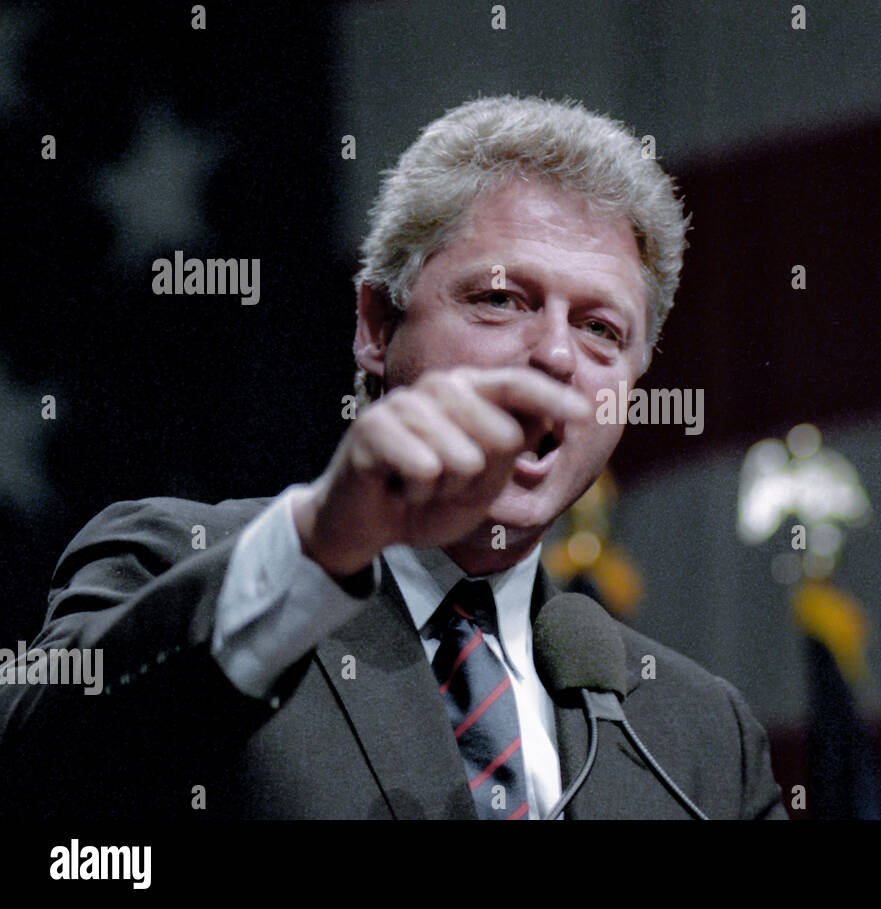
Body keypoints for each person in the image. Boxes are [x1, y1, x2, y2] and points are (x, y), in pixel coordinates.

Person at [0, 95, 786, 820]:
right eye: (501, 299)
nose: (554, 353)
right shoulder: (176, 565)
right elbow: (40, 779)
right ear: (376, 325)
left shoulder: (702, 739)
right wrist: (325, 546)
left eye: (601, 329)